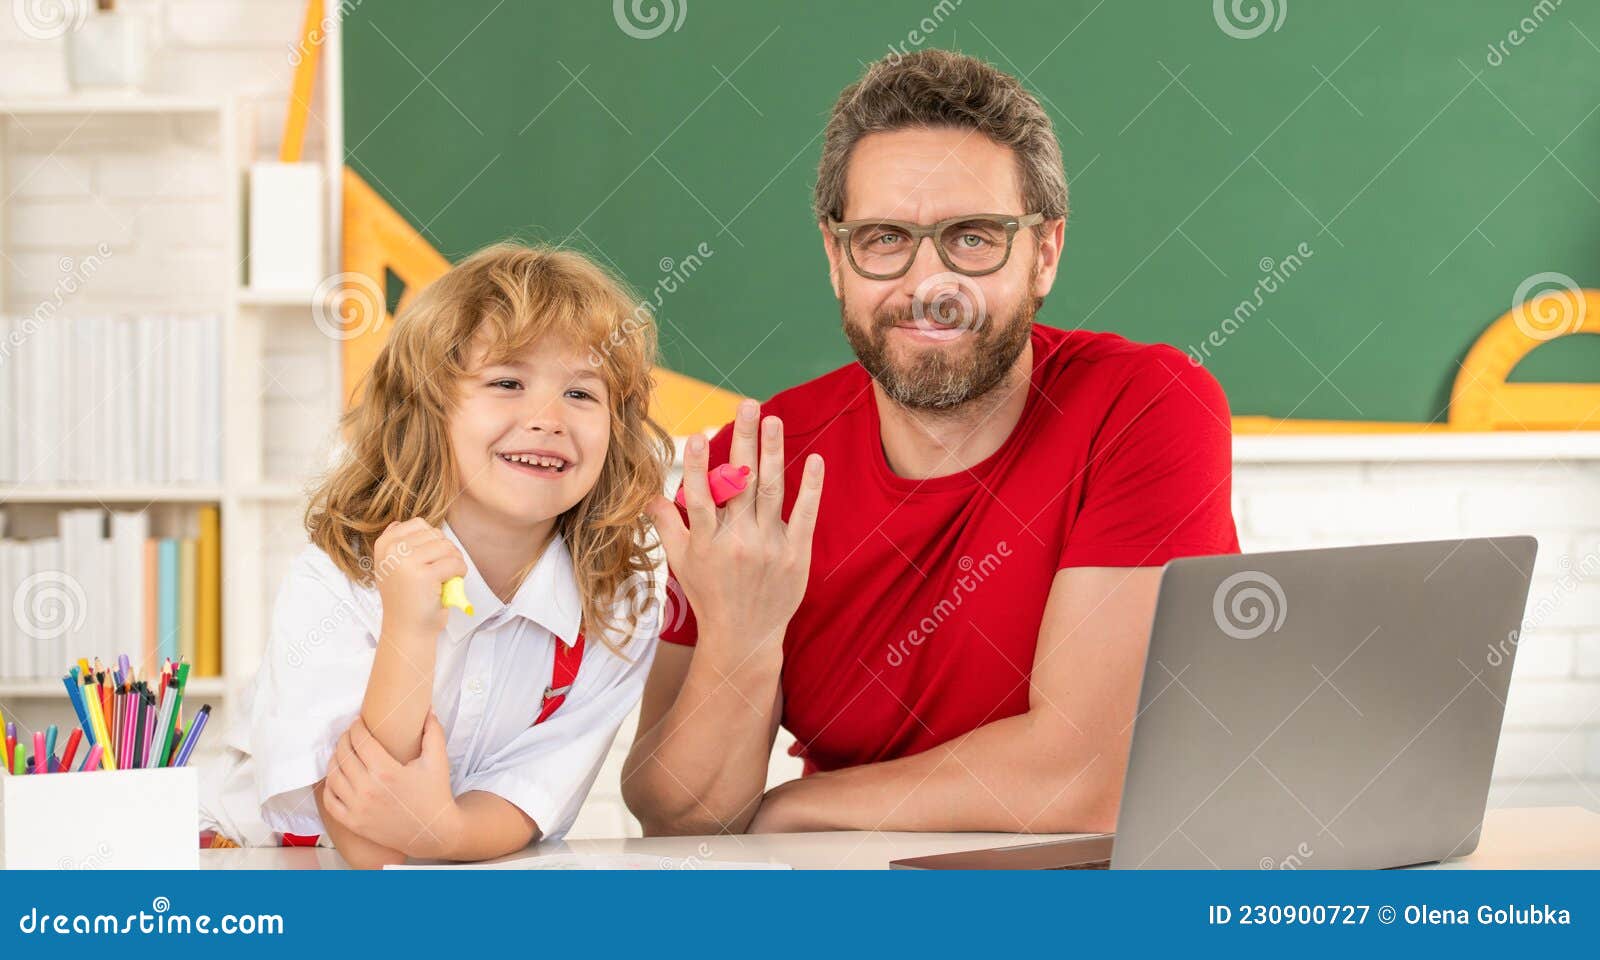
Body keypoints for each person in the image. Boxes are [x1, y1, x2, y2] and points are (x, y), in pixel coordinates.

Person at [624, 49, 1239, 836]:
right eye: (884, 238)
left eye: (973, 238)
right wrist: (745, 639)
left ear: (1044, 252)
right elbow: (678, 819)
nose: (929, 286)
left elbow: (1086, 782)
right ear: (835, 257)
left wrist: (792, 809)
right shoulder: (753, 471)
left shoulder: (1145, 406)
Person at [200, 243, 673, 867]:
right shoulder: (338, 578)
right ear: (428, 409)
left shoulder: (619, 606)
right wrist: (410, 626)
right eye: (508, 382)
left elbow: (525, 799)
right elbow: (361, 837)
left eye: (583, 394)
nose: (548, 418)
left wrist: (444, 834)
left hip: (435, 871)